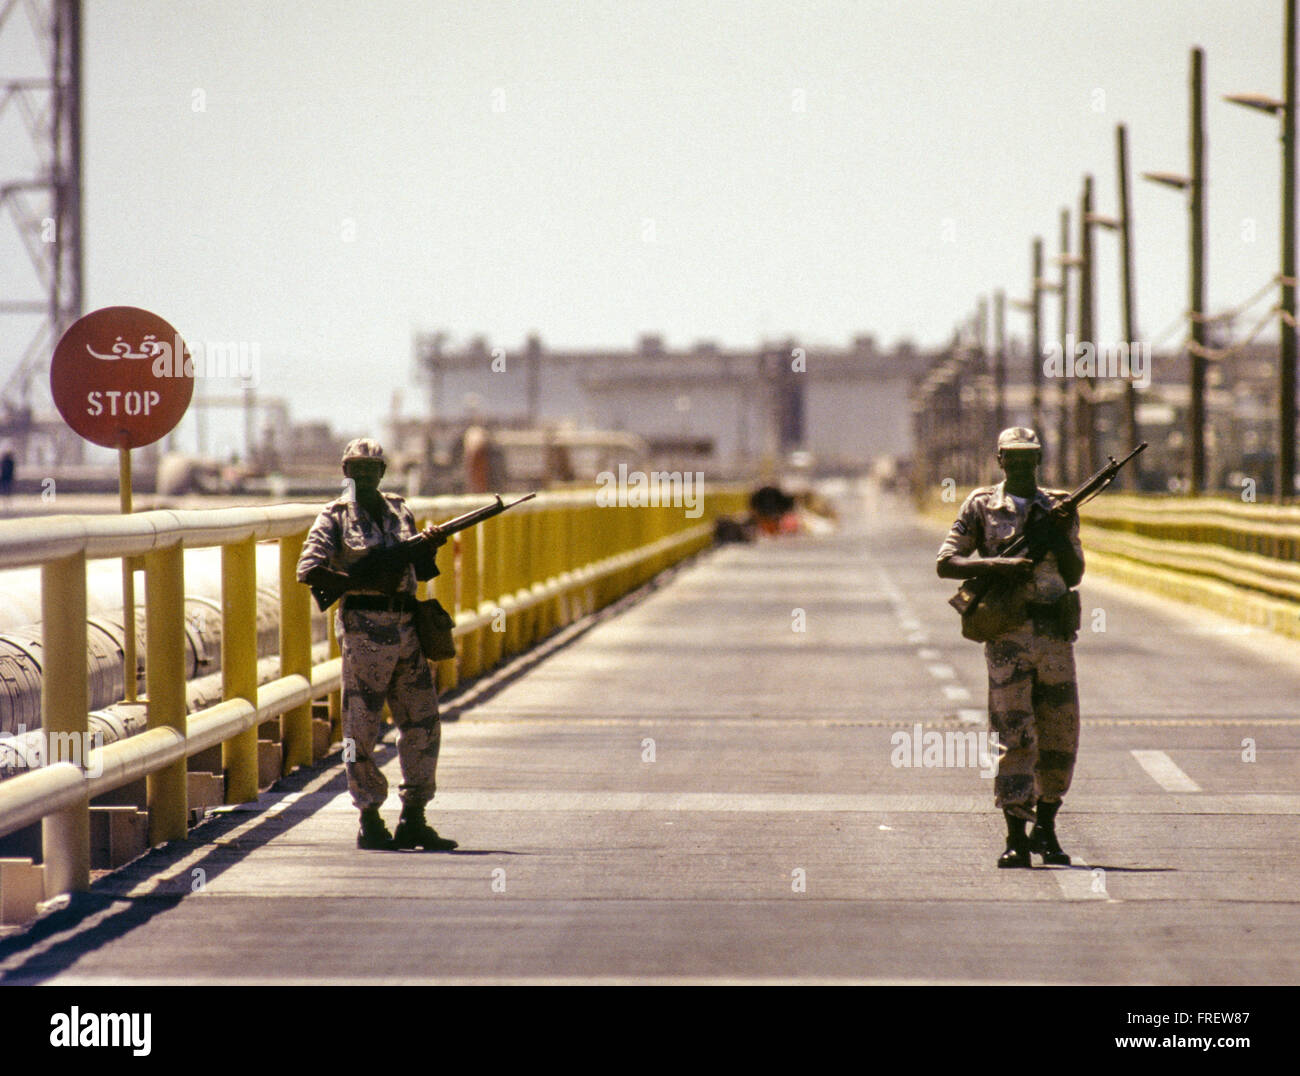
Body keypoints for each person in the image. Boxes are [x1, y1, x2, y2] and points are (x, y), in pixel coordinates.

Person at [296, 437, 457, 851]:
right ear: (346, 472)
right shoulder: (333, 517)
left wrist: (427, 546)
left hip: (406, 627)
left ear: (383, 472)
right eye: (357, 468)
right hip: (365, 630)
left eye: (373, 469)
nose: (366, 475)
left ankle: (414, 817)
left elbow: (421, 573)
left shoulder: (400, 510)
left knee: (423, 723)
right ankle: (369, 816)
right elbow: (309, 569)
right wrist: (361, 580)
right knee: (360, 727)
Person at [936, 428, 1084, 869]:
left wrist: (1056, 536)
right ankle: (1016, 837)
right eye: (1013, 458)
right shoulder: (981, 505)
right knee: (1014, 734)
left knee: (1060, 733)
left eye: (1029, 457)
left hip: (1054, 635)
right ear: (1000, 460)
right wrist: (997, 564)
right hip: (1008, 637)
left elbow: (1074, 572)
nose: (1022, 465)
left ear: (1038, 459)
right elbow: (946, 562)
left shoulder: (1059, 506)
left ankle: (1047, 827)